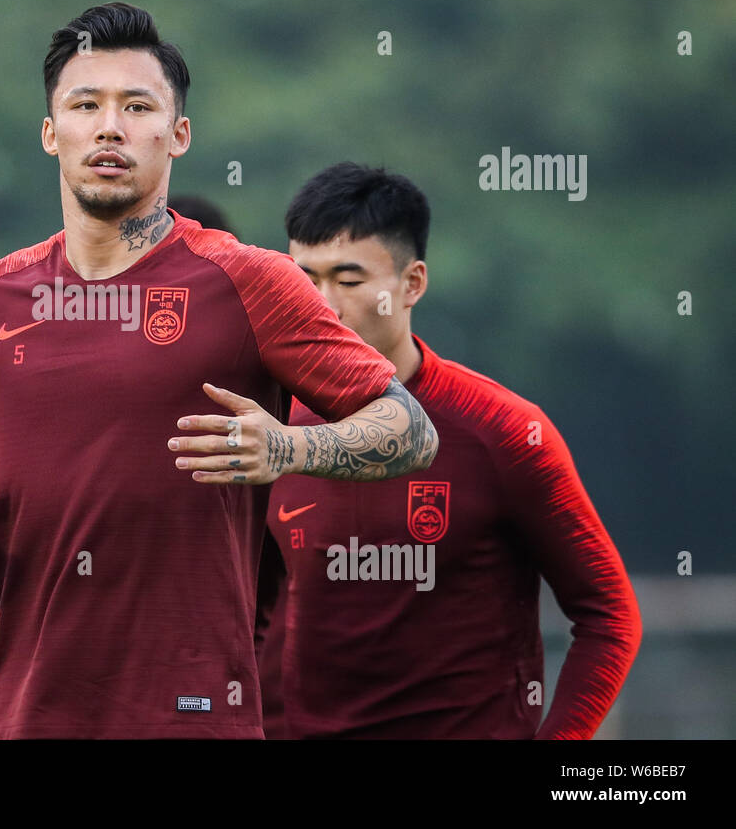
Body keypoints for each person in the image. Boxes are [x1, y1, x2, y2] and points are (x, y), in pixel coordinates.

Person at [0, 3, 438, 738]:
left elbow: (410, 427)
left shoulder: (251, 281)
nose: (109, 126)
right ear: (52, 134)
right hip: (23, 719)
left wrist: (289, 448)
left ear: (178, 135)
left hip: (192, 719)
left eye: (136, 106)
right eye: (86, 105)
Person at [260, 162, 641, 738]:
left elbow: (610, 617)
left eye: (349, 278)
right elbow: (244, 617)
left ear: (412, 284)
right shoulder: (273, 425)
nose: (321, 304)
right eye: (303, 278)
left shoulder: (504, 431)